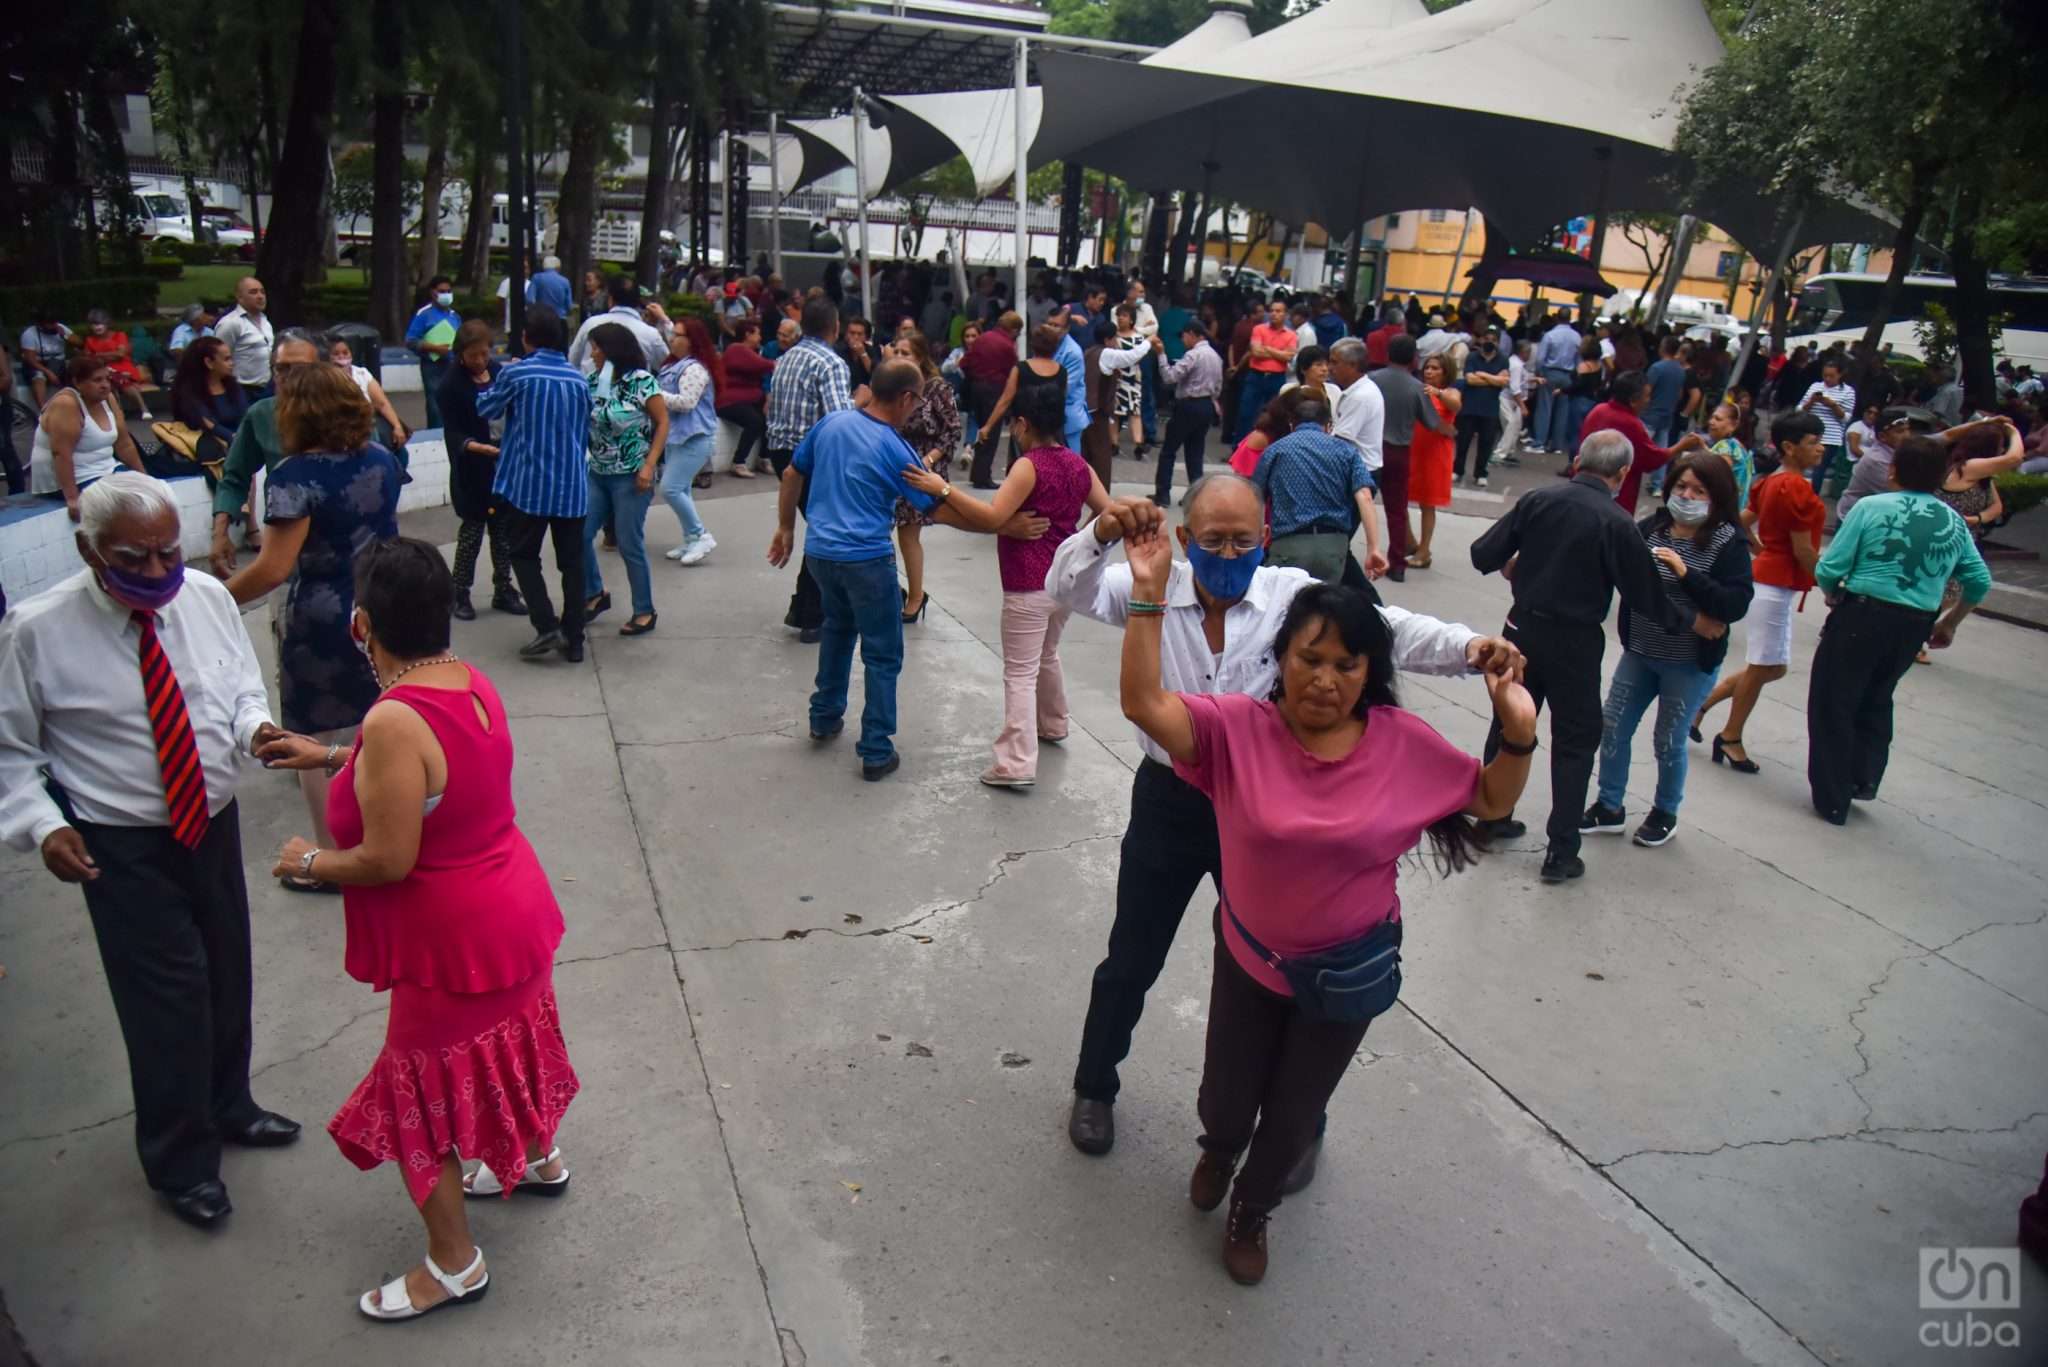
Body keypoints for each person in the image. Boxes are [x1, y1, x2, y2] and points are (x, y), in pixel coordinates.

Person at [1049, 480, 1520, 1162]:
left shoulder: (1288, 597)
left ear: (1265, 537)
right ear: (1187, 540)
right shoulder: (1150, 583)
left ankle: (1297, 1121)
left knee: (1291, 966)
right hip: (1172, 801)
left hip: (1265, 807)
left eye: (1244, 539)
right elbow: (1066, 586)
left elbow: (1385, 630)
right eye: (1213, 540)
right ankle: (1094, 1084)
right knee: (1132, 955)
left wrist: (1468, 646)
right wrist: (1100, 532)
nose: (1229, 552)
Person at [1116, 548, 1534, 1284]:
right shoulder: (1236, 730)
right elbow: (1146, 705)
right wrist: (1149, 598)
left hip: (1345, 974)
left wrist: (1518, 729)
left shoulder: (1403, 746)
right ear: (1280, 659)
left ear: (1370, 672)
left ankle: (1252, 1205)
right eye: (1310, 658)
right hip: (1250, 961)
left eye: (1347, 664)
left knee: (1295, 1108)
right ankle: (1217, 1147)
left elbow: (1491, 800)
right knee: (1227, 1094)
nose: (1326, 679)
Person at [255, 538, 578, 1320]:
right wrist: (334, 754)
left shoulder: (394, 716)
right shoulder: (466, 680)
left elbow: (388, 858)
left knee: (420, 1095)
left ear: (362, 625)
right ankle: (538, 1159)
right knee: (513, 1042)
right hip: (513, 914)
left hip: (455, 941)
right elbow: (432, 773)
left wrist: (308, 863)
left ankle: (454, 1262)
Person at [0, 472, 304, 1228]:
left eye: (168, 551)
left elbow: (236, 688)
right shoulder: (38, 630)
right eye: (133, 558)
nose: (155, 572)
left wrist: (252, 731)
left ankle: (229, 1104)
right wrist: (43, 824)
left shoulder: (202, 597)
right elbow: (10, 750)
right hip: (120, 841)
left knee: (227, 970)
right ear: (88, 549)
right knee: (165, 1001)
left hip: (211, 818)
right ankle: (180, 1161)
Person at [1469, 429, 1713, 884]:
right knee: (1575, 741)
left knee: (1508, 724)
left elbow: (1484, 553)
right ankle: (1561, 852)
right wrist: (1691, 621)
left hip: (1521, 628)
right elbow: (1645, 595)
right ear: (1622, 474)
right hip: (1575, 640)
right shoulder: (1616, 522)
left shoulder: (1539, 499)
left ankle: (1492, 816)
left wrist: (1522, 566)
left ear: (1579, 459)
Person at [766, 359, 991, 779]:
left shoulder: (831, 424)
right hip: (866, 560)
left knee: (836, 628)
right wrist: (995, 523)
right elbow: (937, 510)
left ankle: (824, 716)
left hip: (821, 555)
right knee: (883, 653)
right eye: (918, 400)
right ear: (906, 398)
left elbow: (792, 472)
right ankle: (875, 749)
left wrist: (785, 527)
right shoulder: (895, 448)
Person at [223, 362, 403, 885]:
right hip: (380, 602)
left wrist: (213, 598)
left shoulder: (294, 476)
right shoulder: (382, 458)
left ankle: (329, 859)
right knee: (380, 726)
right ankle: (384, 830)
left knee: (315, 735)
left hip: (322, 618)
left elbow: (274, 568)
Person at [903, 380, 1108, 787]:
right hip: (1062, 584)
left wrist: (941, 490)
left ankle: (1015, 763)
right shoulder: (1077, 465)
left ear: (1021, 424)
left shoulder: (1028, 466)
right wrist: (1077, 544)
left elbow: (993, 517)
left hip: (1027, 582)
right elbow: (1109, 513)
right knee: (1047, 655)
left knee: (1019, 671)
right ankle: (1053, 723)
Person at [1806, 437, 1991, 823]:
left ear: (1892, 470)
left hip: (1861, 615)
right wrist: (1949, 623)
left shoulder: (1870, 508)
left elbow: (1829, 567)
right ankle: (1863, 778)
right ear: (1940, 476)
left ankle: (1833, 796)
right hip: (1914, 623)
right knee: (1877, 696)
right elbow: (1978, 581)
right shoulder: (1953, 522)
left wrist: (1833, 594)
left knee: (1834, 700)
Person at [1582, 455, 1753, 849]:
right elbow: (1619, 570)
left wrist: (1686, 573)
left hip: (1689, 663)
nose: (1687, 496)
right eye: (1681, 487)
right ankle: (1609, 806)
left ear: (1717, 496)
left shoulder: (1728, 541)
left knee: (1668, 740)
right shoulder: (1652, 528)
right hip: (1641, 651)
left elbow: (1734, 604)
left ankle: (1665, 812)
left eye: (1698, 490)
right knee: (1613, 726)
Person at [1691, 411, 1827, 775]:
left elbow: (1740, 520)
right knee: (1763, 666)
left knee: (1773, 667)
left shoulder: (1771, 481)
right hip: (1775, 582)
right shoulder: (1795, 486)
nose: (1821, 448)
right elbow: (1802, 550)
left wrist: (1757, 549)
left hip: (1769, 578)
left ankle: (1703, 707)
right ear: (1789, 447)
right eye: (1813, 442)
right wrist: (1829, 585)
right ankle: (1731, 734)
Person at [476, 307, 594, 664]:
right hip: (572, 486)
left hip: (529, 485)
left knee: (524, 555)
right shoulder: (578, 379)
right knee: (572, 564)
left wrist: (486, 377)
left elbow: (486, 408)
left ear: (527, 338)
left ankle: (546, 624)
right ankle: (574, 638)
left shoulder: (518, 373)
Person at [579, 322, 667, 637]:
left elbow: (662, 422)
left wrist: (649, 464)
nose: (593, 353)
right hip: (598, 472)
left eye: (597, 347)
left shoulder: (642, 382)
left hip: (632, 475)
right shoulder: (591, 382)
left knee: (630, 543)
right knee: (579, 533)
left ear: (613, 349)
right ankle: (594, 592)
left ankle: (644, 609)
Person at [209, 331, 324, 572]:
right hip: (286, 550)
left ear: (322, 371)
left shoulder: (350, 415)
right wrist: (220, 533)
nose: (290, 378)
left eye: (301, 369)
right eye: (282, 368)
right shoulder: (261, 415)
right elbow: (234, 477)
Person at [1250, 393, 1385, 583]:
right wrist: (1373, 548)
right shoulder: (1347, 451)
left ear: (1291, 425)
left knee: (1283, 606)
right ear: (1329, 426)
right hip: (1333, 547)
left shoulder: (1275, 450)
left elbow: (1254, 498)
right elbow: (1365, 496)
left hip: (1289, 545)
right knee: (1323, 607)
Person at [436, 320, 522, 620]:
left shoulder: (499, 374)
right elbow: (453, 431)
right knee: (472, 532)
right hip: (474, 468)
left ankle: (504, 588)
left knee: (502, 533)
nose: (480, 361)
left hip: (503, 465)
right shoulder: (450, 384)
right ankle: (460, 592)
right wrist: (476, 448)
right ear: (461, 353)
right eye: (474, 355)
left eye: (485, 354)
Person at [888, 332, 964, 624]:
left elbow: (952, 430)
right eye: (896, 352)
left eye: (905, 353)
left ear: (920, 357)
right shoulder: (893, 387)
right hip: (892, 464)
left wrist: (929, 460)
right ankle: (894, 590)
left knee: (908, 532)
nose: (899, 358)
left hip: (922, 469)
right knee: (884, 531)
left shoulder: (937, 388)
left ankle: (916, 596)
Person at [1367, 335, 1453, 581]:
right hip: (1400, 451)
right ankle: (1397, 563)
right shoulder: (1416, 387)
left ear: (1388, 354)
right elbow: (1431, 421)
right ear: (1414, 359)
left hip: (1373, 447)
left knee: (1359, 502)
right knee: (1397, 510)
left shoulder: (1372, 380)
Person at [1578, 369, 1709, 513]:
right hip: (1616, 496)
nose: (1648, 401)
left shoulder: (1599, 410)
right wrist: (1681, 446)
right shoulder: (1630, 423)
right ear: (1634, 400)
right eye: (1647, 396)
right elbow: (1652, 459)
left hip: (1583, 486)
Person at [31, 355, 145, 518]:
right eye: (97, 380)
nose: (105, 385)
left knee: (149, 494)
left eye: (107, 379)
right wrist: (72, 498)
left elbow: (124, 444)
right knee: (126, 503)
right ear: (77, 382)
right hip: (71, 480)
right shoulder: (66, 404)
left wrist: (145, 478)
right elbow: (61, 454)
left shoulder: (109, 398)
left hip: (106, 469)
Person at [656, 317, 722, 565]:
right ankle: (691, 538)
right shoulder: (677, 365)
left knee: (670, 488)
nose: (672, 339)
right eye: (672, 335)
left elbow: (687, 402)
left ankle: (700, 535)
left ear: (691, 341)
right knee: (681, 489)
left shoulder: (694, 369)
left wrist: (654, 395)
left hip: (695, 437)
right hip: (677, 437)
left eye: (678, 335)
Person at [1153, 320, 1223, 507]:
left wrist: (1161, 355)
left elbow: (1169, 377)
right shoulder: (1215, 357)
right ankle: (1195, 496)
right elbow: (1218, 387)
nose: (1183, 340)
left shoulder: (1193, 355)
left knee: (1169, 450)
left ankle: (1163, 494)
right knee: (1195, 452)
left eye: (1184, 335)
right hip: (1206, 405)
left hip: (1188, 405)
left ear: (1192, 334)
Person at [1407, 352, 1461, 569]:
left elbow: (1455, 405)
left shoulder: (1449, 391)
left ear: (1446, 372)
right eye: (1427, 367)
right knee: (1401, 496)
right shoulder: (1418, 389)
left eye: (1435, 368)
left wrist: (1437, 393)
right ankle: (1410, 542)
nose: (1429, 371)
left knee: (1427, 503)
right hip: (1413, 448)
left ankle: (1424, 549)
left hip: (1435, 452)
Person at [961, 310, 1021, 489]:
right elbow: (1013, 371)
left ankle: (977, 473)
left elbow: (964, 363)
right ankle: (982, 477)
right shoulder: (1007, 346)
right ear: (1013, 329)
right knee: (991, 433)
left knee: (981, 429)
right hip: (995, 390)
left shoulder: (983, 338)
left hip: (976, 388)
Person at [168, 336, 250, 467]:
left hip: (239, 443)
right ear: (209, 363)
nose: (232, 363)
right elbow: (207, 424)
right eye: (226, 359)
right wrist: (234, 438)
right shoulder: (188, 392)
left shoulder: (233, 386)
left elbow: (245, 415)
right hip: (209, 451)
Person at [567, 276, 666, 373]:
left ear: (610, 299)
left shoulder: (591, 324)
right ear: (638, 301)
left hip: (590, 387)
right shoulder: (651, 334)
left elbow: (572, 360)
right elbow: (667, 367)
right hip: (633, 388)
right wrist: (665, 321)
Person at [327, 335, 410, 449]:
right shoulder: (324, 379)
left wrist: (397, 426)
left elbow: (382, 403)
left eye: (345, 352)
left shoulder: (362, 373)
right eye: (336, 354)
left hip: (370, 428)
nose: (342, 357)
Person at [1454, 324, 1509, 488]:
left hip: (1490, 409)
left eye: (1494, 339)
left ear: (1498, 342)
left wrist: (1483, 374)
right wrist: (1494, 379)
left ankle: (1481, 473)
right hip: (1469, 406)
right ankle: (1457, 470)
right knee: (1463, 441)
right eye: (1487, 338)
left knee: (1486, 443)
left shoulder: (1503, 359)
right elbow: (1470, 379)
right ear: (1481, 339)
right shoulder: (1472, 357)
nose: (1489, 342)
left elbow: (1504, 382)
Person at [1235, 297, 1296, 442]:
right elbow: (1256, 352)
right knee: (1246, 413)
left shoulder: (1291, 335)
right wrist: (1278, 352)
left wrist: (1267, 348)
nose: (1274, 314)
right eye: (1272, 311)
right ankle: (1240, 446)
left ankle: (1268, 447)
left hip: (1276, 377)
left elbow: (1288, 357)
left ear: (1285, 315)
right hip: (1256, 376)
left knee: (1275, 415)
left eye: (1278, 311)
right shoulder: (1259, 329)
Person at [719, 319, 774, 478]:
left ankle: (764, 457)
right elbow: (759, 364)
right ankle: (738, 462)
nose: (760, 338)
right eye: (757, 334)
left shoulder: (753, 353)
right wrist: (774, 364)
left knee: (768, 419)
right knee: (754, 421)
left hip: (746, 401)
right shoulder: (736, 349)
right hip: (728, 402)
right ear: (748, 334)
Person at [404, 276, 462, 427]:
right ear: (432, 293)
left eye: (449, 291)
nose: (446, 294)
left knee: (454, 403)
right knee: (435, 405)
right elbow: (410, 341)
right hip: (432, 366)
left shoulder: (454, 316)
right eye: (442, 291)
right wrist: (435, 348)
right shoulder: (424, 314)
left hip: (453, 364)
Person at [79, 309, 153, 419]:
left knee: (123, 382)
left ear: (107, 324)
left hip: (123, 367)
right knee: (108, 382)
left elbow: (121, 354)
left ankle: (144, 409)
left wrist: (98, 354)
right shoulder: (90, 340)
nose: (97, 327)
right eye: (94, 325)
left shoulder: (119, 335)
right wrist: (110, 355)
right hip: (103, 369)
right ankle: (117, 411)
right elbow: (88, 358)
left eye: (100, 324)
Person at [1799, 354, 1856, 495]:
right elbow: (1799, 409)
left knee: (1819, 468)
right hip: (1810, 431)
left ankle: (1811, 496)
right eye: (1825, 375)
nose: (1827, 379)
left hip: (1830, 437)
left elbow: (1846, 417)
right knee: (1802, 464)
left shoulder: (1848, 392)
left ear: (1840, 374)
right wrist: (1812, 401)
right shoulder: (1815, 386)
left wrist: (1833, 405)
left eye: (1831, 376)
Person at [213, 276, 275, 402]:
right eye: (253, 292)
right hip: (242, 390)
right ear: (239, 297)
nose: (260, 296)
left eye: (262, 292)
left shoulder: (265, 321)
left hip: (267, 388)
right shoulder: (230, 323)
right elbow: (218, 359)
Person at [1533, 312, 1584, 453]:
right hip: (1568, 374)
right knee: (1563, 410)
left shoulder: (1550, 335)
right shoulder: (1577, 336)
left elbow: (1540, 358)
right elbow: (1579, 358)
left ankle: (1539, 442)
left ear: (1557, 318)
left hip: (1550, 372)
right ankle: (1557, 444)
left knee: (1544, 408)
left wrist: (1539, 373)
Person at [1106, 304, 1150, 457]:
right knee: (1115, 412)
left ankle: (1138, 443)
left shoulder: (1139, 338)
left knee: (1135, 411)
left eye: (1124, 316)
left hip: (1133, 379)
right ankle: (1114, 444)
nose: (1120, 318)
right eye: (1119, 315)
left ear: (1131, 319)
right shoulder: (1113, 337)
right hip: (1116, 378)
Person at [1703, 401, 1755, 510]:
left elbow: (1720, 475)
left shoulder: (1724, 446)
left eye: (1718, 419)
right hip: (1735, 510)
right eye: (1712, 417)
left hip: (1718, 510)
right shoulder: (1743, 450)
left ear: (1734, 425)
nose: (1711, 422)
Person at [1641, 335, 1688, 447]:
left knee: (1640, 448)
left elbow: (1646, 391)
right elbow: (1679, 395)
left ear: (1663, 347)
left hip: (1650, 415)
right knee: (1661, 452)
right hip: (1667, 418)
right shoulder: (1681, 370)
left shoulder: (1657, 368)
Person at [19, 313, 73, 406]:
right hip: (37, 364)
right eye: (50, 324)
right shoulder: (29, 334)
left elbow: (80, 343)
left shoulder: (60, 328)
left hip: (58, 362)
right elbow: (31, 360)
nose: (53, 326)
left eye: (54, 323)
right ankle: (43, 409)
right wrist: (49, 373)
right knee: (39, 376)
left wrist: (65, 336)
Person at [837, 316, 880, 394]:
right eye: (852, 333)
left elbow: (876, 375)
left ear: (866, 337)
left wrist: (863, 354)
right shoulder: (837, 350)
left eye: (860, 334)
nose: (855, 337)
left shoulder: (872, 350)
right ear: (846, 334)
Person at [526, 254, 574, 318]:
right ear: (558, 268)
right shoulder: (565, 281)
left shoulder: (537, 278)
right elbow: (569, 306)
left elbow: (530, 300)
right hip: (559, 319)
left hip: (541, 319)